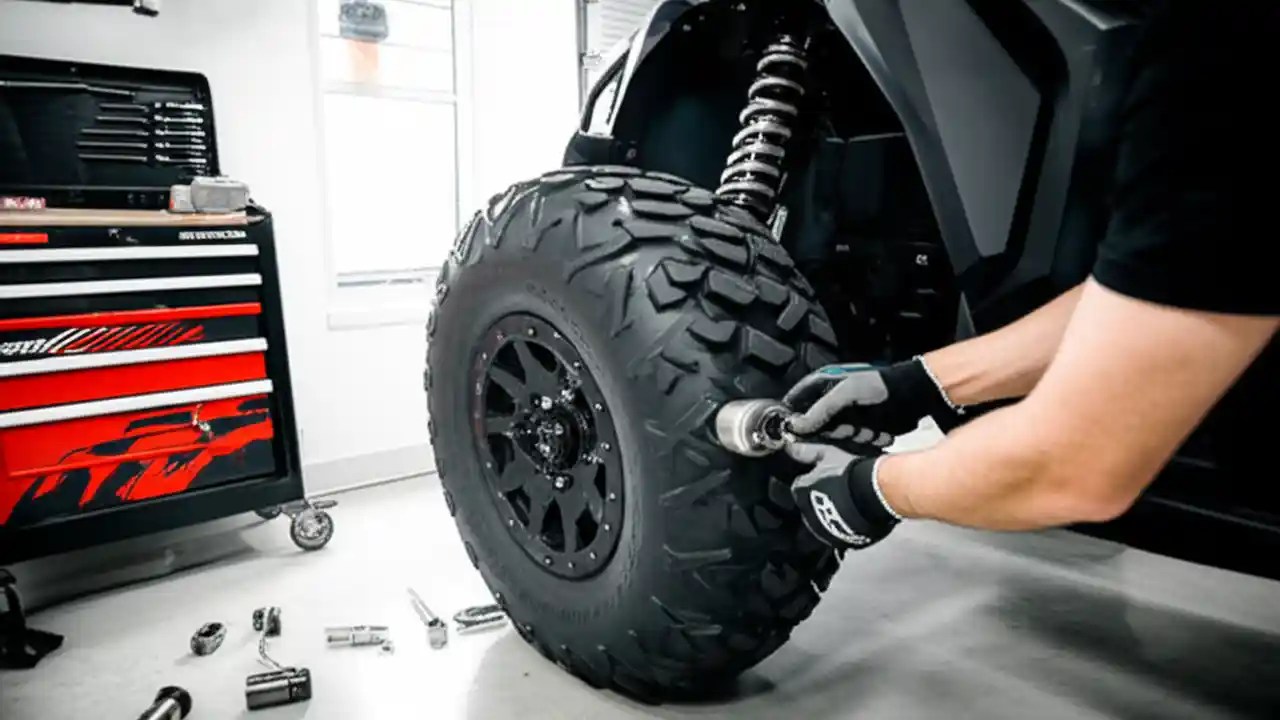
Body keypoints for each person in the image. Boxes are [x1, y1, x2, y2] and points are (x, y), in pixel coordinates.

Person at [781, 0, 1279, 550]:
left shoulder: (1226, 45)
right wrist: (918, 384)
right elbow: (1171, 299)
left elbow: (1077, 465)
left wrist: (870, 490)